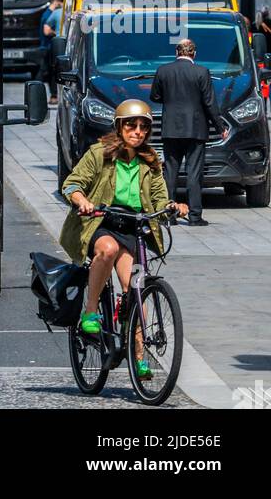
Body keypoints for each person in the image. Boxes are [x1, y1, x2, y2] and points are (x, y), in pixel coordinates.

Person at [60, 99, 187, 369]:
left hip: (133, 228)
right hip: (101, 222)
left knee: (136, 288)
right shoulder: (99, 153)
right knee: (107, 250)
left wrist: (172, 207)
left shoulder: (150, 162)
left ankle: (139, 357)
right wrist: (82, 200)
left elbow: (160, 198)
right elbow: (72, 183)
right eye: (131, 125)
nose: (138, 131)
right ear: (119, 127)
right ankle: (91, 312)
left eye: (143, 127)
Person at [149, 37, 225, 228]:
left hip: (170, 129)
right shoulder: (201, 72)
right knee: (194, 173)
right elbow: (209, 103)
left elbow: (155, 96)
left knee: (170, 172)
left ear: (177, 52)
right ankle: (195, 216)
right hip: (195, 129)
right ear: (194, 53)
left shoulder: (163, 70)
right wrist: (220, 127)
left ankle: (168, 214)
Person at [40, 0, 63, 107]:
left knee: (54, 70)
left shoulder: (56, 13)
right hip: (72, 45)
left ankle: (54, 96)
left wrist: (56, 33)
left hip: (58, 45)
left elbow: (46, 30)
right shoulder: (74, 12)